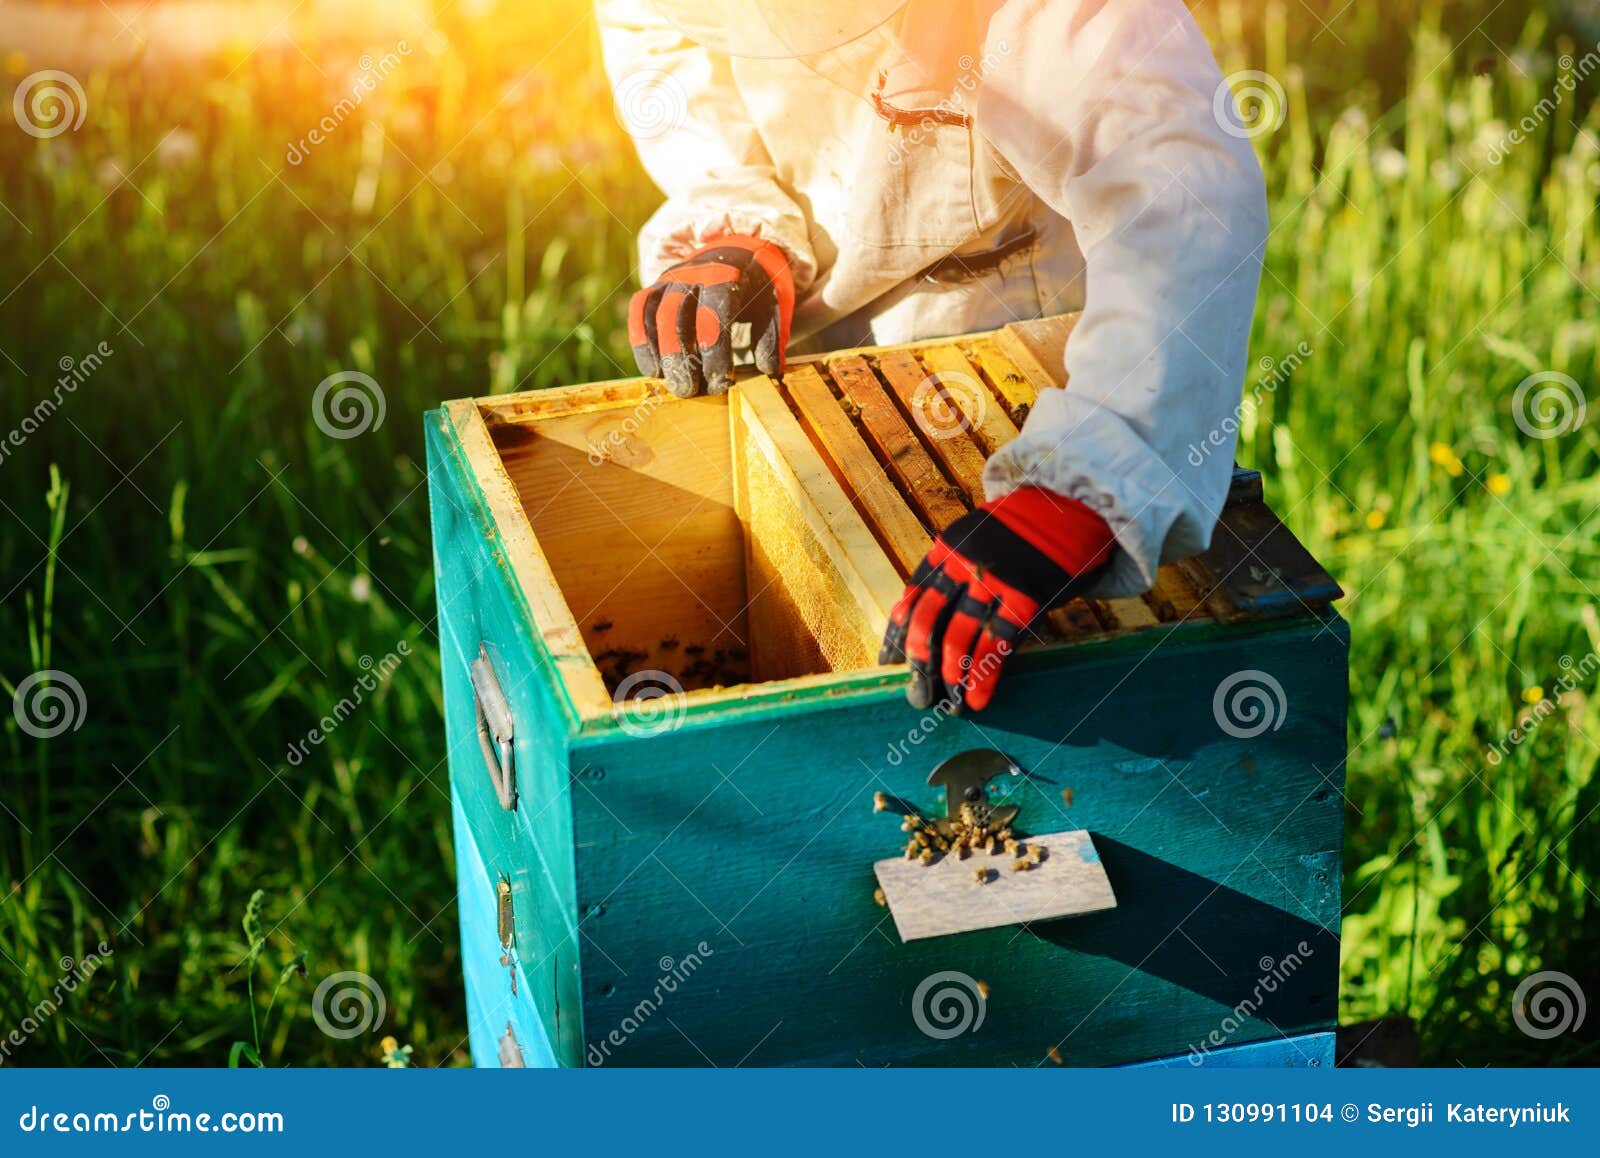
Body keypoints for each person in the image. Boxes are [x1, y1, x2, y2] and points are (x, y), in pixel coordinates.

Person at [598, 0, 1268, 713]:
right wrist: (737, 216)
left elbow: (1179, 197)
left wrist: (1087, 479)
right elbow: (660, 35)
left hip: (1022, 339)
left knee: (1064, 693)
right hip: (812, 348)